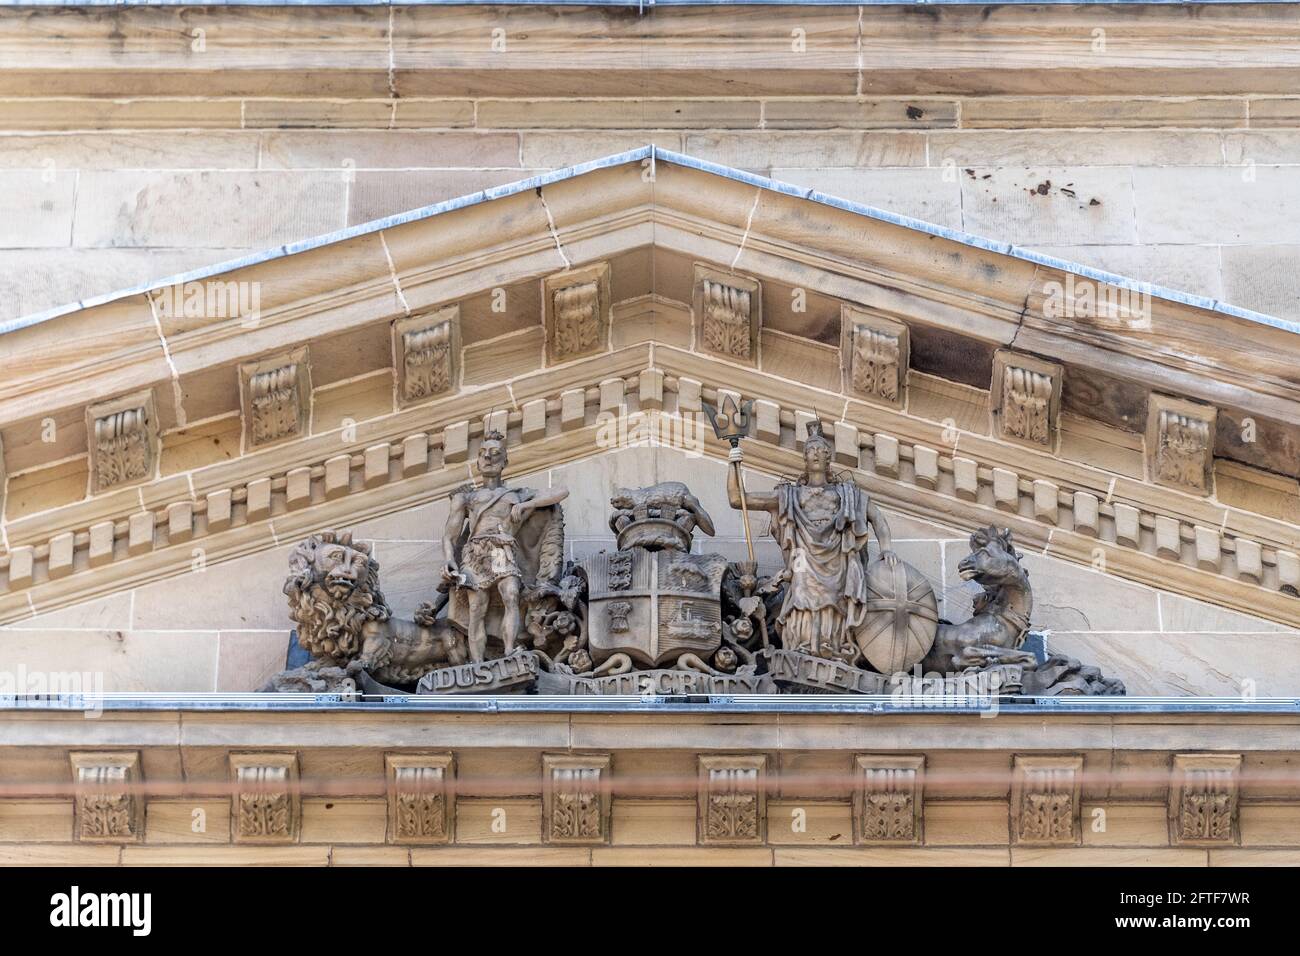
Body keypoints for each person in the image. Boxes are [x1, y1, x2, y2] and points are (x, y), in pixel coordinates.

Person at [726, 419, 897, 664]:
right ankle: (803, 647)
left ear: (829, 458)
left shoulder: (848, 494)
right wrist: (733, 462)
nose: (815, 454)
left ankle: (835, 648)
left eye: (820, 450)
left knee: (835, 601)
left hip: (838, 560)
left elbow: (876, 518)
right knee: (802, 596)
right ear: (804, 459)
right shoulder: (790, 494)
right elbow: (738, 499)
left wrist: (887, 548)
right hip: (803, 560)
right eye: (810, 451)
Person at [443, 430, 569, 661]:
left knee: (511, 593)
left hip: (501, 550)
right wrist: (450, 559)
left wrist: (526, 505)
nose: (488, 458)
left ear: (505, 462)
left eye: (495, 453)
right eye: (483, 454)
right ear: (478, 463)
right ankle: (477, 663)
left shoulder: (517, 494)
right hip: (476, 552)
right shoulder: (466, 498)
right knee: (476, 607)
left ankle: (510, 649)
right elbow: (450, 536)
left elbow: (561, 492)